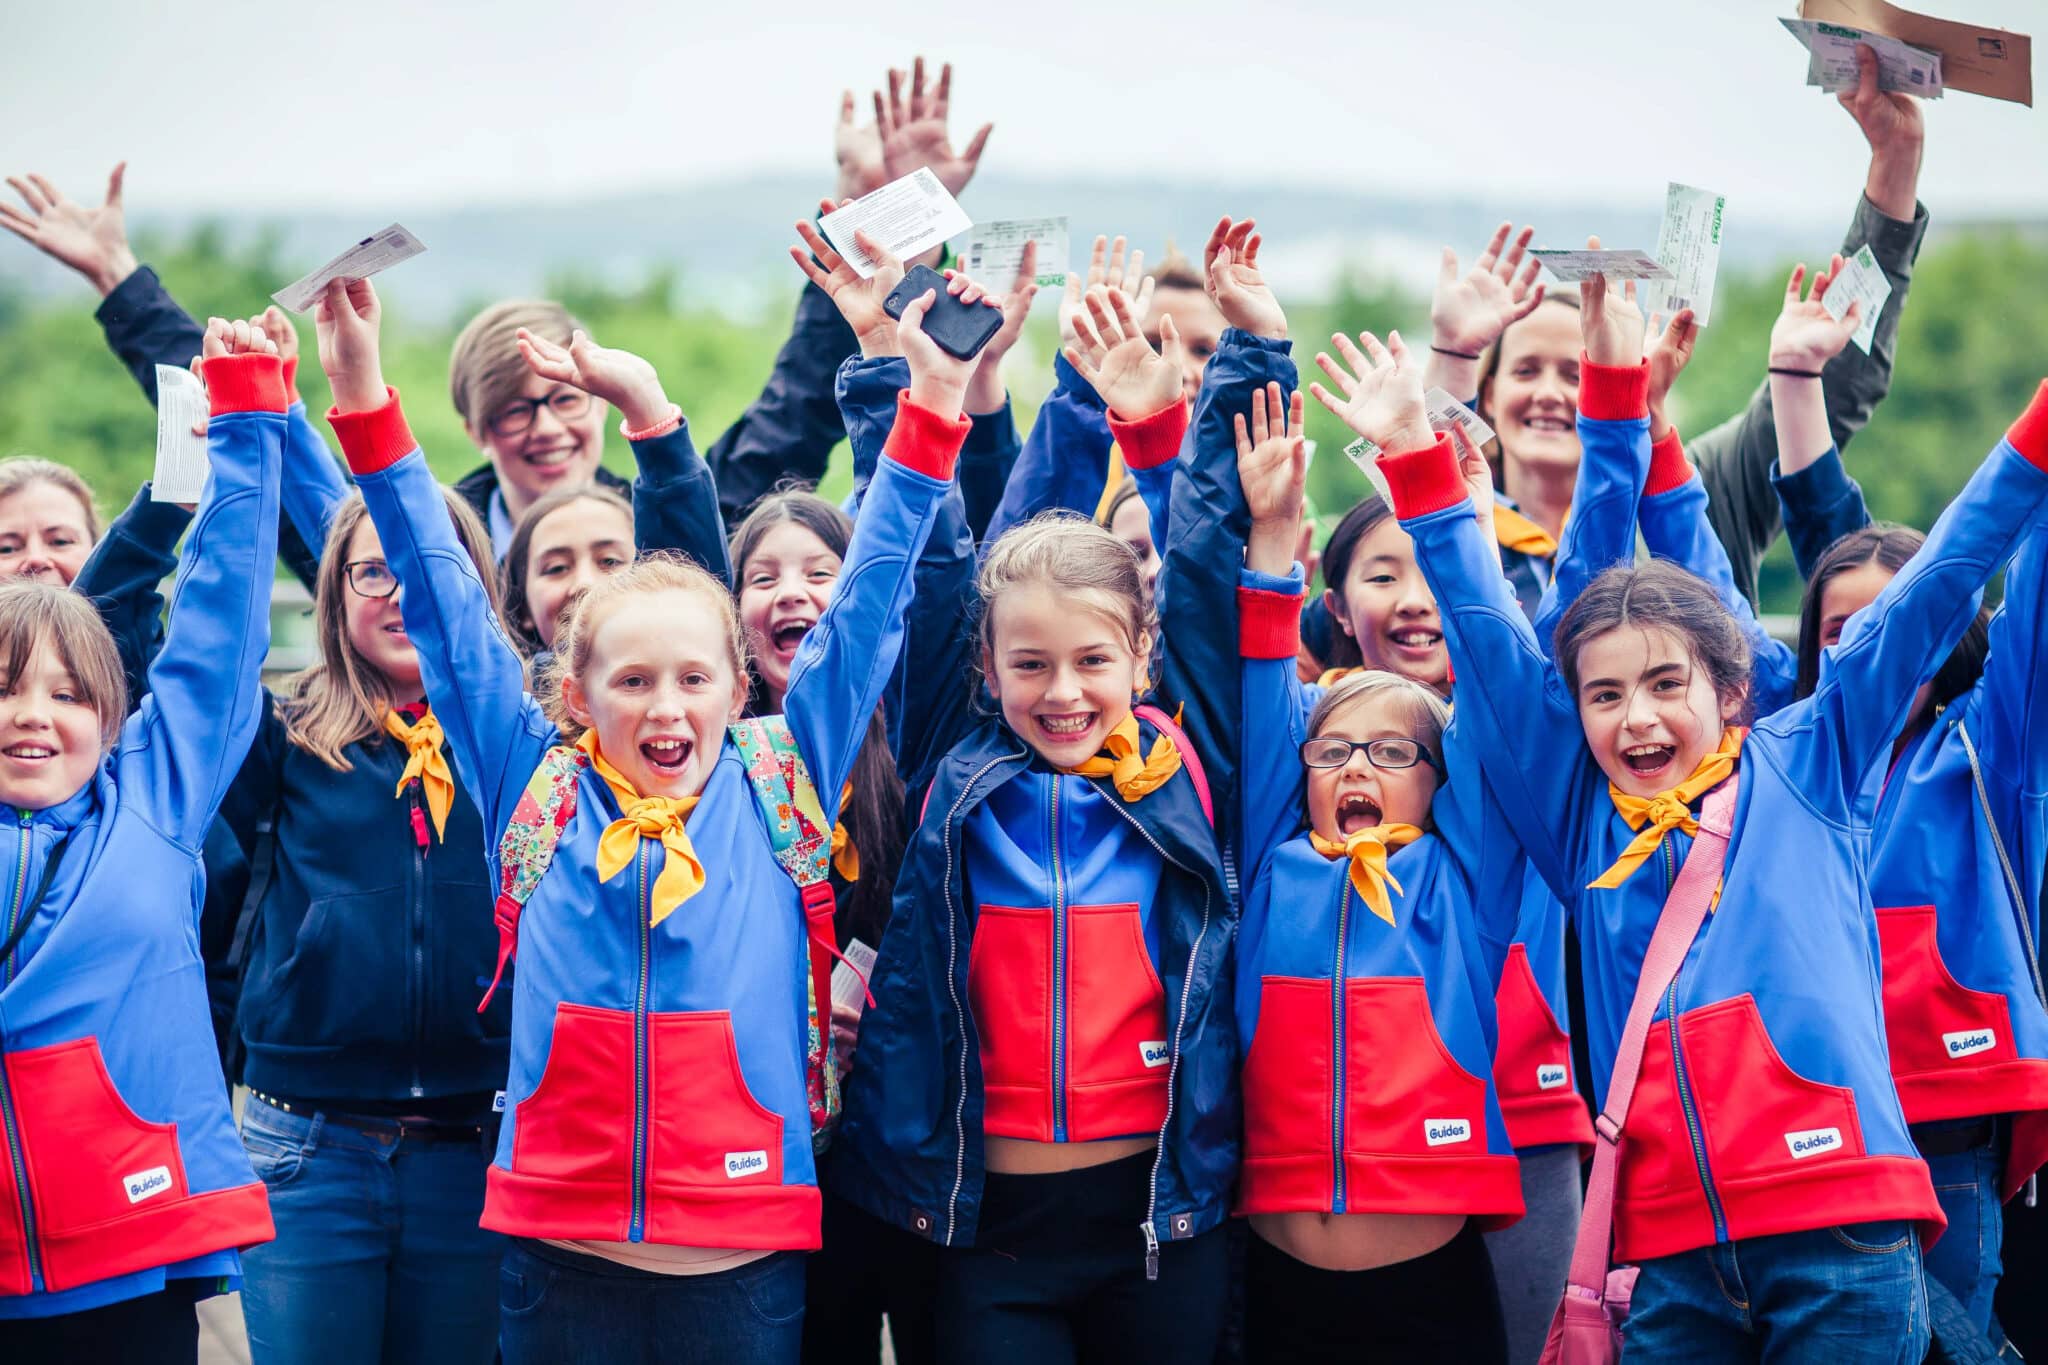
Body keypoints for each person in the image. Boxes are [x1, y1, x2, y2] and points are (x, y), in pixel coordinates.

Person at [1347, 261, 2048, 1358]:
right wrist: (1418, 464)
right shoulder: (1575, 820)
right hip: (1666, 1261)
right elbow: (1485, 630)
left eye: (1665, 685)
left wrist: (2038, 430)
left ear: (1730, 689)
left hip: (1839, 1237)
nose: (1634, 719)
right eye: (1603, 694)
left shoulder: (1808, 760)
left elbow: (1940, 578)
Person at [324, 263, 966, 1364]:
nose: (665, 706)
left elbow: (873, 591)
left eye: (691, 680)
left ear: (735, 684)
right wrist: (363, 393)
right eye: (631, 683)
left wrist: (935, 405)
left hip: (744, 1252)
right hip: (555, 1253)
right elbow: (435, 587)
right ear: (576, 697)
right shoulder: (536, 781)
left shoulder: (780, 774)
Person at [834, 234, 1269, 1361]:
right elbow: (921, 564)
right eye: (1027, 666)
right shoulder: (954, 764)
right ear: (984, 670)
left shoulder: (1185, 766)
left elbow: (1213, 562)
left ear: (1140, 655)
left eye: (1091, 663)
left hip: (1157, 1222)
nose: (1063, 693)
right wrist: (899, 374)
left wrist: (1232, 369)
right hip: (986, 1232)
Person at [0, 316, 283, 1359]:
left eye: (69, 693)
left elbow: (219, 626)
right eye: (4, 690)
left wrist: (250, 415)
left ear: (111, 714)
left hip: (133, 1254)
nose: (34, 714)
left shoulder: (153, 805)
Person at [1227, 382, 1521, 1361]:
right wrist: (1271, 542)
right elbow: (1265, 690)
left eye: (1392, 755)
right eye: (1334, 752)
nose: (1356, 766)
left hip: (1428, 1293)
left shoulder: (1463, 878)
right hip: (1269, 1285)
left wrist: (1457, 521)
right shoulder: (1267, 865)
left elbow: (1486, 679)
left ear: (1439, 784)